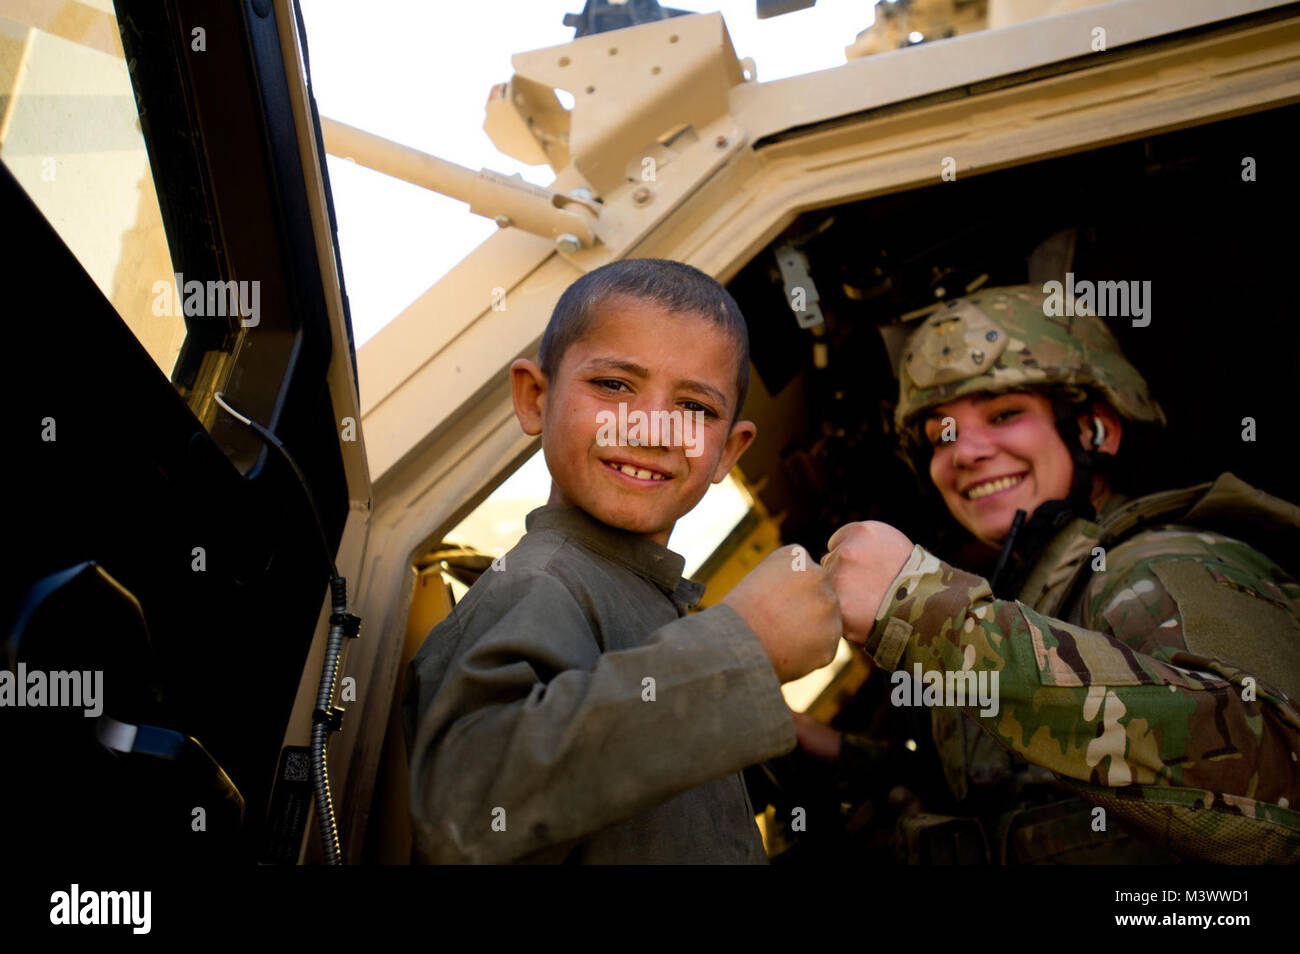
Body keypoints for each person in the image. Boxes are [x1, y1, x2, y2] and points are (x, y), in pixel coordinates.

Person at [814, 284, 1300, 863]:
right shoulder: (1017, 600)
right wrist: (817, 747)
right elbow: (994, 789)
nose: (964, 452)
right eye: (940, 434)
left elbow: (1276, 790)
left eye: (1005, 414)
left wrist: (920, 612)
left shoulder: (1157, 569)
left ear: (1094, 430)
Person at [401, 258, 841, 863]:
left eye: (696, 409)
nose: (653, 429)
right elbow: (466, 812)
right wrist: (744, 651)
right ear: (535, 397)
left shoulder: (652, 602)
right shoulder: (537, 587)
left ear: (725, 454)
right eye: (612, 386)